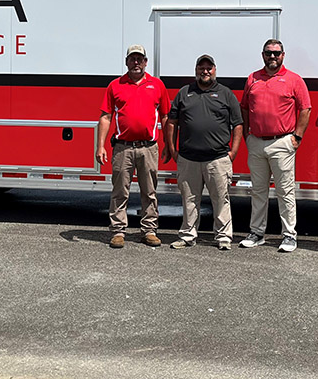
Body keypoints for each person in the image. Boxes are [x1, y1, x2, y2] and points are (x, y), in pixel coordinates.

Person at [163, 54, 244, 251]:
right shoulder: (184, 93)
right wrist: (173, 149)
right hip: (189, 158)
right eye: (201, 68)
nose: (205, 71)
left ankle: (223, 236)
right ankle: (188, 235)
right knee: (189, 200)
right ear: (196, 70)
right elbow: (172, 122)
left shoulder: (226, 94)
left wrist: (232, 152)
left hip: (217, 159)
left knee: (221, 199)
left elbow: (238, 124)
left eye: (209, 68)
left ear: (215, 70)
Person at [95, 45, 171, 249]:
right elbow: (106, 116)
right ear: (126, 61)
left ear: (146, 62)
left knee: (150, 191)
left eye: (140, 59)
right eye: (132, 59)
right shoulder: (115, 85)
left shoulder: (157, 85)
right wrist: (100, 146)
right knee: (120, 191)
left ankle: (149, 230)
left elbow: (165, 117)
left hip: (149, 147)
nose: (136, 62)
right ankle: (118, 231)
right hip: (123, 148)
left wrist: (168, 145)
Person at [240, 39, 311, 252]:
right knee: (258, 191)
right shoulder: (253, 78)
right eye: (269, 53)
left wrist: (296, 137)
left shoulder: (294, 79)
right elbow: (244, 107)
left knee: (285, 191)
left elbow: (305, 109)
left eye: (276, 53)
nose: (273, 57)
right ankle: (257, 232)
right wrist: (247, 135)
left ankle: (289, 235)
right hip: (257, 142)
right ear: (263, 55)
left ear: (283, 55)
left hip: (282, 142)